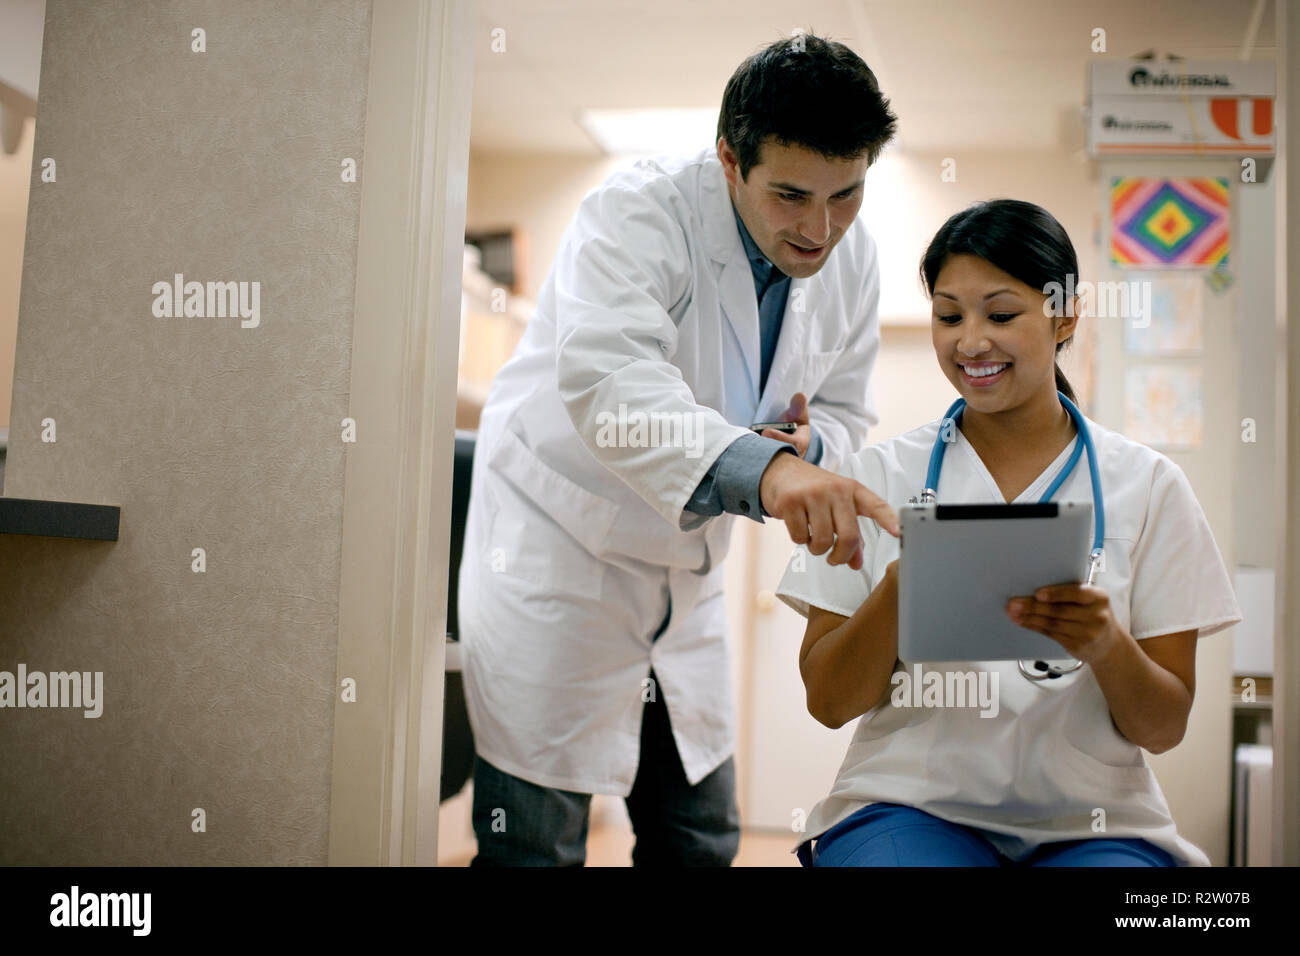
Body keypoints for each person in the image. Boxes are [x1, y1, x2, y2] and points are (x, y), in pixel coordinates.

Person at [459, 34, 901, 866]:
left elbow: (846, 408)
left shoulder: (855, 260)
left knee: (699, 837)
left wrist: (813, 445)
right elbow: (612, 383)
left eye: (846, 194)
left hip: (686, 577)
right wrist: (771, 473)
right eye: (791, 195)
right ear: (730, 159)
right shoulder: (638, 212)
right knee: (535, 845)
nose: (820, 229)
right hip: (559, 555)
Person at [775, 199, 1244, 867]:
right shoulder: (876, 477)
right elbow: (827, 701)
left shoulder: (1149, 486)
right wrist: (903, 590)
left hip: (1095, 821)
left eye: (1000, 316)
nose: (970, 343)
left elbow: (1164, 727)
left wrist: (1106, 644)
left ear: (1066, 316)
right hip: (912, 805)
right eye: (949, 317)